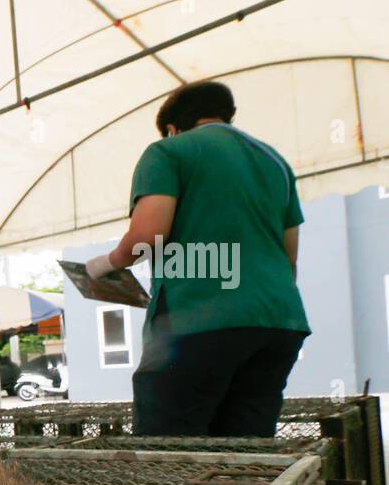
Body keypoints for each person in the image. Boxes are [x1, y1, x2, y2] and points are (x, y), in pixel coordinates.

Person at [87, 80, 309, 437]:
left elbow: (148, 237)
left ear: (172, 128)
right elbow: (290, 258)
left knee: (169, 449)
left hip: (198, 322)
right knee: (245, 450)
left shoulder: (169, 152)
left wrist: (107, 263)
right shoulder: (276, 163)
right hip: (277, 324)